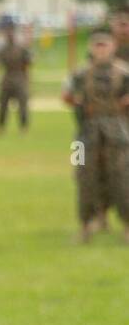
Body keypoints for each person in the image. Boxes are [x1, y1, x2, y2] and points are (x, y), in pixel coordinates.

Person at [61, 31, 129, 243]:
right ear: (91, 49)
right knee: (83, 177)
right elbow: (67, 97)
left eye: (105, 45)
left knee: (121, 178)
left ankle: (126, 225)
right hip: (83, 136)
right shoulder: (79, 74)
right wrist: (74, 100)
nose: (101, 49)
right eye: (97, 46)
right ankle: (87, 224)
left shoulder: (124, 73)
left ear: (113, 47)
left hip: (118, 134)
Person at [0, 22, 31, 132]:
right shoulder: (2, 50)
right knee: (3, 104)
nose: (9, 35)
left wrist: (26, 79)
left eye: (11, 32)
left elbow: (27, 63)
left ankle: (23, 126)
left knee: (22, 104)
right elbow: (0, 63)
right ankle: (1, 126)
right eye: (7, 32)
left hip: (19, 77)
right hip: (7, 77)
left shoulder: (22, 49)